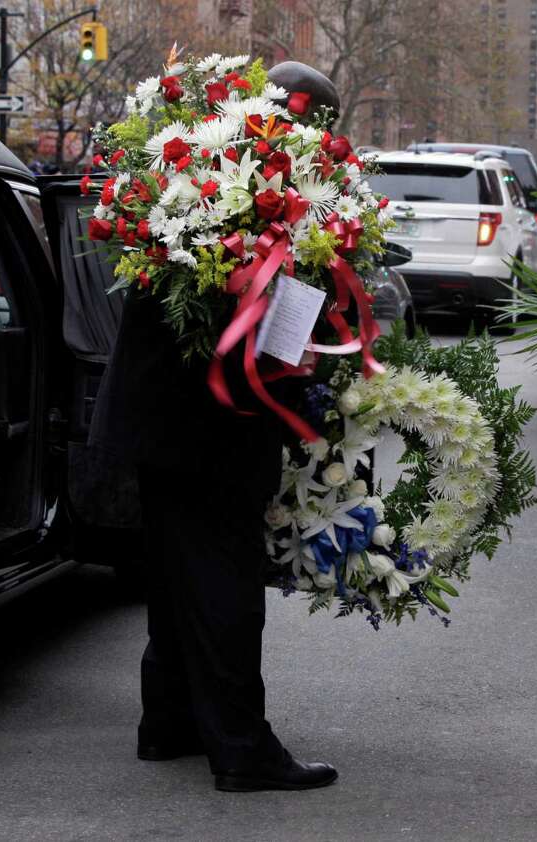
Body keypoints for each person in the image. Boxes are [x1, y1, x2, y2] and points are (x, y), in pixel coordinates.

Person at [86, 61, 344, 793]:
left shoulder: (190, 162)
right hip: (216, 419)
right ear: (310, 121)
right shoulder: (278, 190)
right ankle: (241, 747)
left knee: (173, 579)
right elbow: (282, 315)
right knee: (226, 580)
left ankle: (167, 724)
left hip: (152, 411)